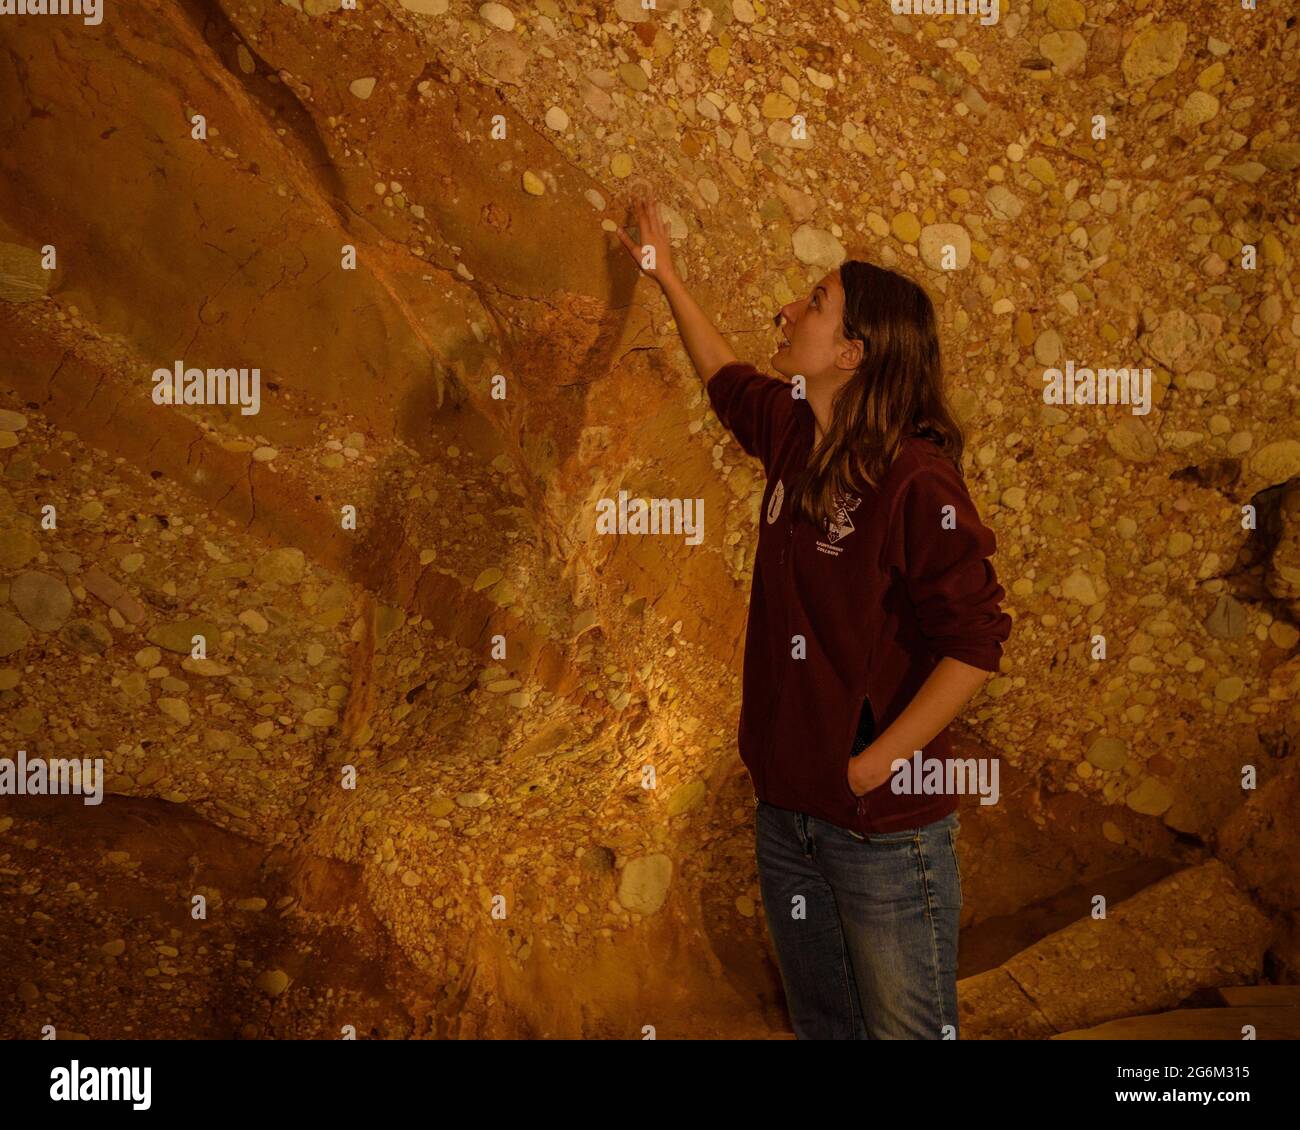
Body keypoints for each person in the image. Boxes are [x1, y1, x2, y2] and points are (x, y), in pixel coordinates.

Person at [616, 193, 1013, 1039]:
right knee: (825, 1030)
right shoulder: (799, 436)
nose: (787, 311)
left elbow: (974, 646)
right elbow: (726, 379)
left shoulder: (916, 480)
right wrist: (667, 278)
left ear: (851, 353)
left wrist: (870, 769)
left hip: (881, 834)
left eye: (813, 304)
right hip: (787, 819)